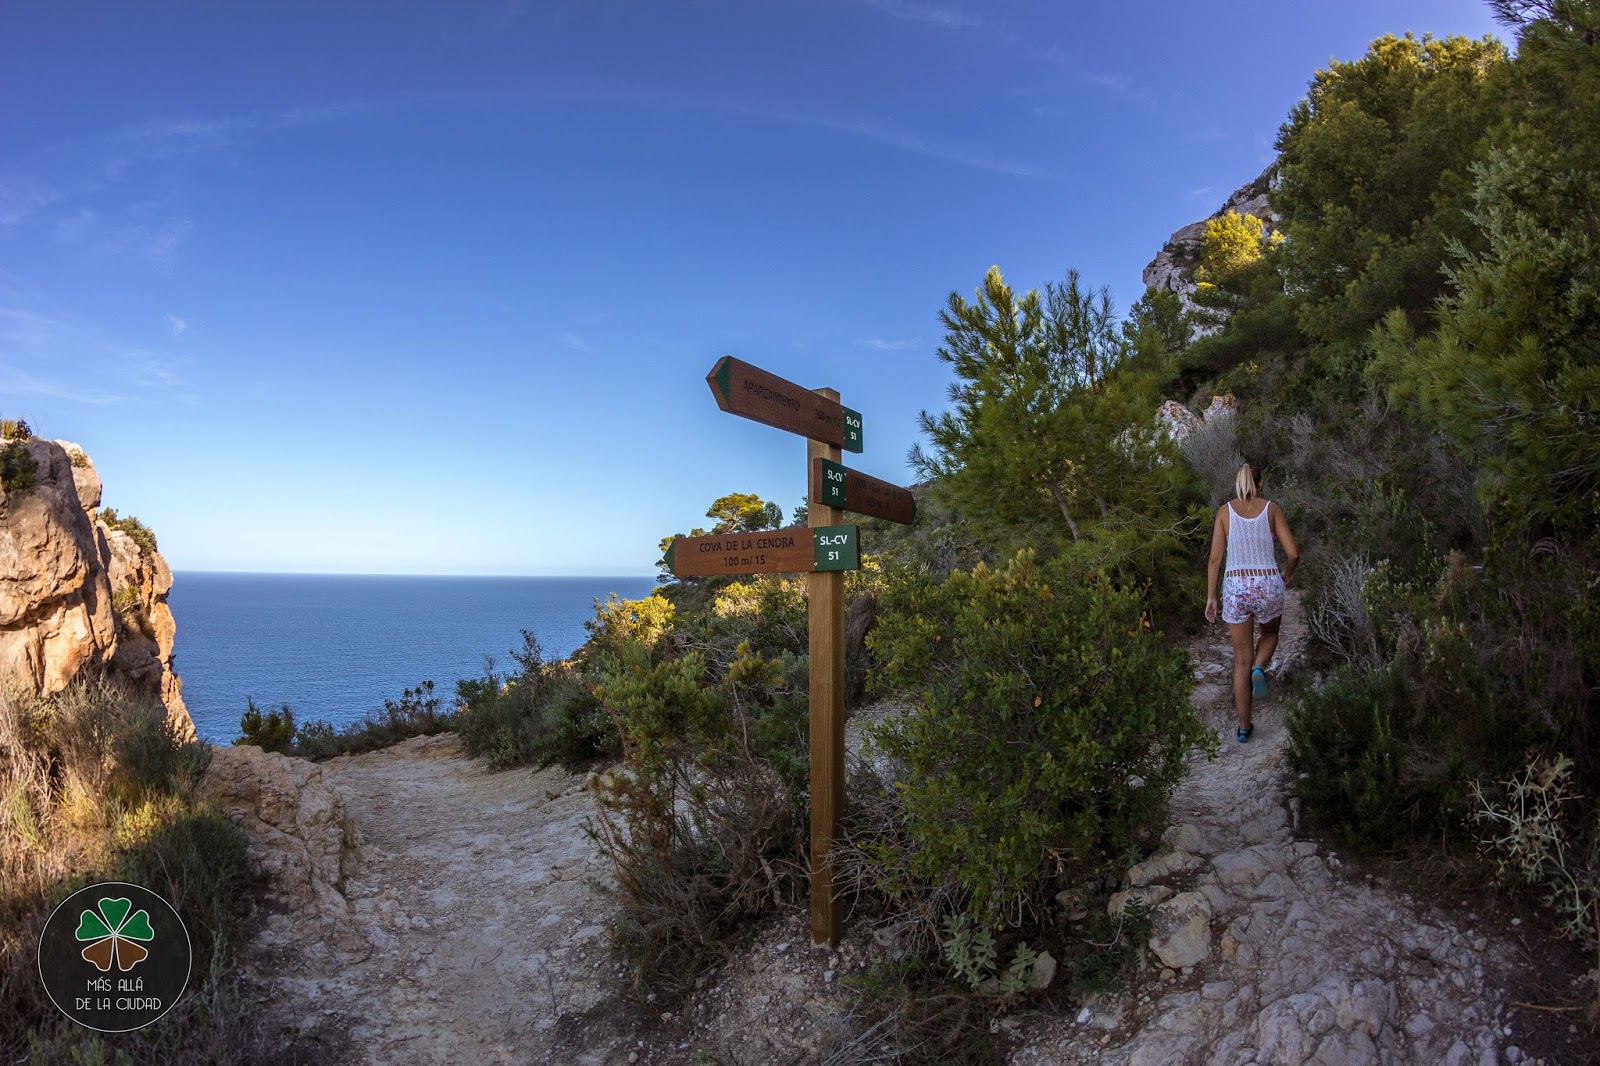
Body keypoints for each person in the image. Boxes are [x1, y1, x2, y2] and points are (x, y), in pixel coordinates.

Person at [1205, 463, 1299, 742]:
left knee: (1240, 662)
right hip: (1267, 582)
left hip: (1235, 587)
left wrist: (1211, 596)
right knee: (1270, 633)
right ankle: (1261, 666)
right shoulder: (1271, 509)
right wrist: (1286, 576)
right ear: (1261, 483)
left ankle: (1244, 727)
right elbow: (1293, 553)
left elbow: (1214, 559)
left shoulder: (1225, 512)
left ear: (1237, 484)